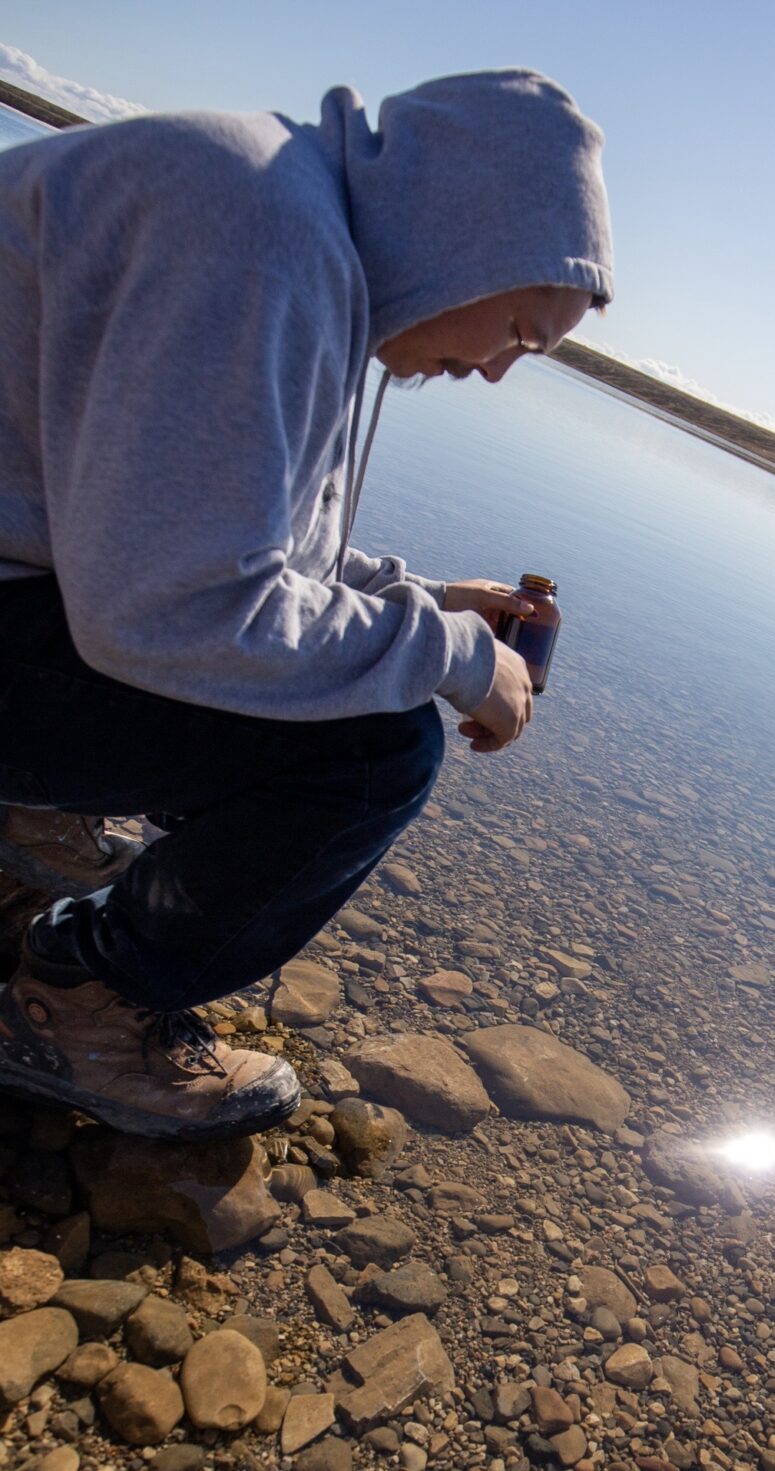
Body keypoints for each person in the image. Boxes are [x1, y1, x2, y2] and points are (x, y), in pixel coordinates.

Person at [0, 70, 613, 1141]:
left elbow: (203, 529)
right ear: (469, 235)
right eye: (520, 330)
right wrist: (455, 655)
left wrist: (422, 599)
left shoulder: (275, 203)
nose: (496, 373)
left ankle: (35, 811)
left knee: (333, 685)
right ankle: (78, 1001)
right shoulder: (264, 246)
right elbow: (170, 607)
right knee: (370, 749)